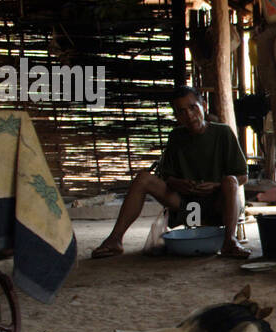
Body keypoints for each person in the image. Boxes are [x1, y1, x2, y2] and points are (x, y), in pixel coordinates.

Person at [92, 87, 250, 259]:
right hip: (190, 210)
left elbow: (243, 176)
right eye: (181, 112)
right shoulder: (176, 136)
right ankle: (115, 240)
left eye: (193, 107)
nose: (189, 115)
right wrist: (181, 184)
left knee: (231, 181)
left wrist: (216, 185)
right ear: (176, 116)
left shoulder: (222, 132)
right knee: (143, 179)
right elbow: (167, 177)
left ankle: (229, 241)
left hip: (218, 209)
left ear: (204, 106)